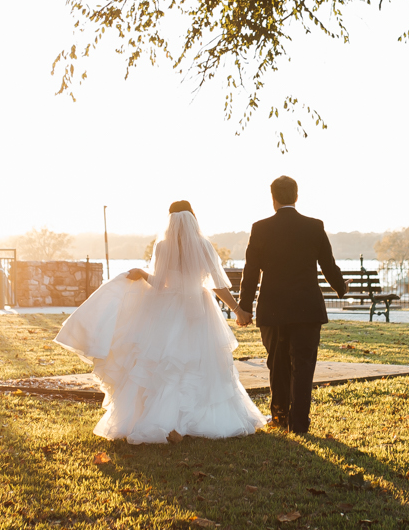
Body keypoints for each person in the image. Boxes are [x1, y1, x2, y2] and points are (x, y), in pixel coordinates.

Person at [53, 202, 265, 444]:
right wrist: (237, 310)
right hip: (200, 308)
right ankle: (203, 418)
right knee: (201, 361)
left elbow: (158, 283)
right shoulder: (203, 245)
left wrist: (142, 273)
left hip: (169, 309)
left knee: (165, 363)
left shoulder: (163, 246)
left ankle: (160, 417)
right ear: (193, 218)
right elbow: (217, 284)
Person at [237, 175, 346, 435]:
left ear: (273, 198)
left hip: (273, 309)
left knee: (277, 364)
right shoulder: (314, 227)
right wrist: (341, 287)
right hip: (307, 308)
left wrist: (245, 307)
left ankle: (280, 416)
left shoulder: (260, 228)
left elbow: (251, 271)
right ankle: (299, 423)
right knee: (304, 366)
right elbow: (328, 265)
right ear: (296, 197)